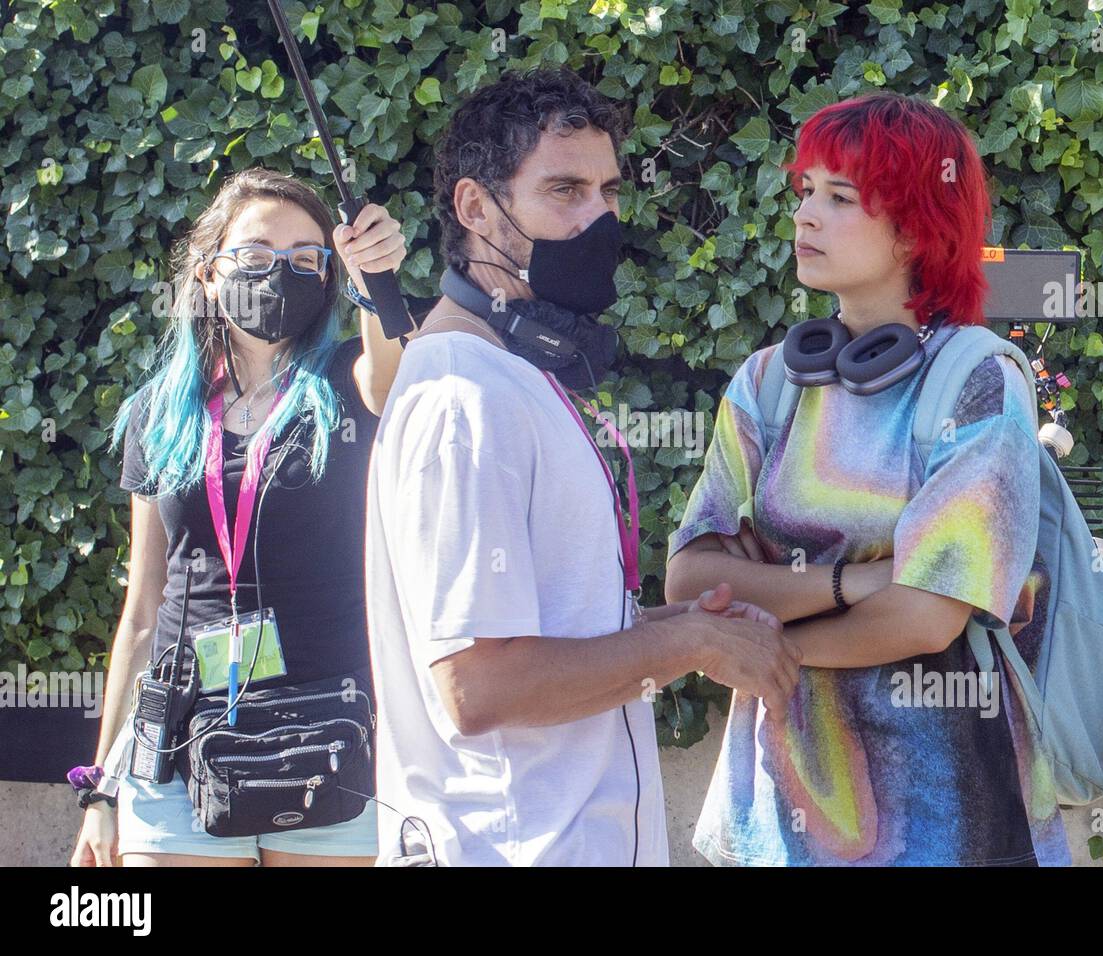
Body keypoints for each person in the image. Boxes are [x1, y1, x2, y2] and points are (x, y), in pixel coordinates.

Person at [364, 68, 801, 867]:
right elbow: (479, 686)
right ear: (474, 207)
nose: (598, 217)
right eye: (564, 190)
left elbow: (550, 639)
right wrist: (689, 642)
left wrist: (688, 630)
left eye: (609, 191)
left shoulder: (509, 377)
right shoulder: (465, 399)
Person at [664, 91, 1071, 867]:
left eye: (840, 197)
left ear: (916, 227)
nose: (805, 215)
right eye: (805, 191)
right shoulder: (767, 384)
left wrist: (758, 637)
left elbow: (925, 620)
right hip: (778, 815)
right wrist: (858, 583)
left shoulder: (978, 382)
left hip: (945, 814)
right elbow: (690, 579)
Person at [70, 167, 408, 867]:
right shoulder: (160, 413)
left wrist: (376, 280)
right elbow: (143, 609)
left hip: (329, 733)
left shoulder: (350, 381)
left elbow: (394, 380)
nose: (279, 273)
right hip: (177, 742)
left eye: (305, 259)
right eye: (255, 255)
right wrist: (102, 786)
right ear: (206, 271)